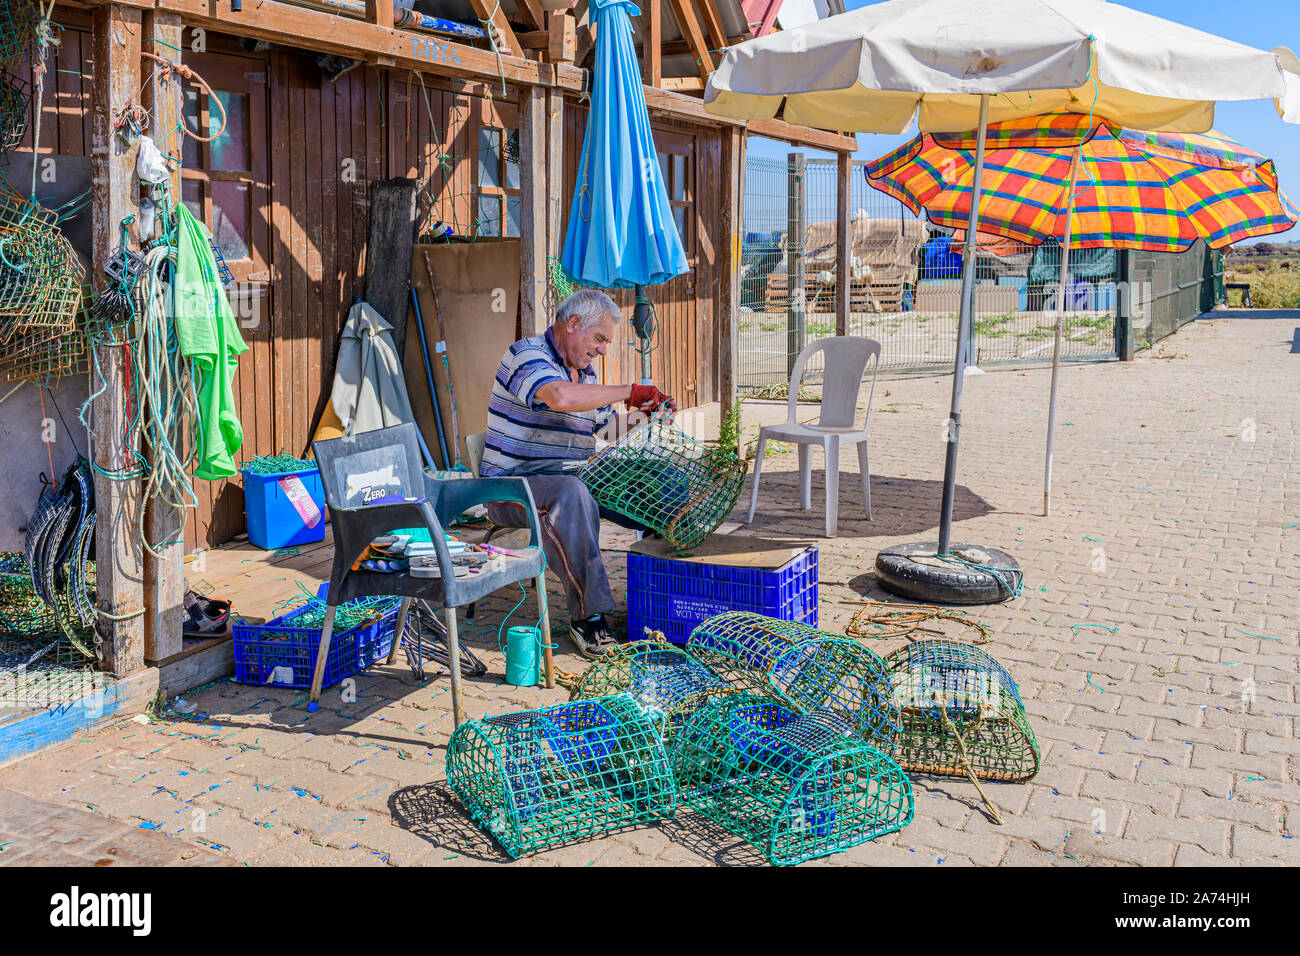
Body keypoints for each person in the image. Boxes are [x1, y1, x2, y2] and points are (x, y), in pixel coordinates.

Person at [479, 289, 676, 659]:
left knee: (652, 485)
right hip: (509, 486)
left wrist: (645, 413)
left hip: (571, 478)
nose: (603, 350)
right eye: (599, 339)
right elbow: (560, 397)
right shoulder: (526, 354)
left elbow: (604, 433)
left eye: (606, 342)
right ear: (572, 325)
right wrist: (629, 390)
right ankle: (589, 617)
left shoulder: (585, 372)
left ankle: (662, 601)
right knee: (572, 494)